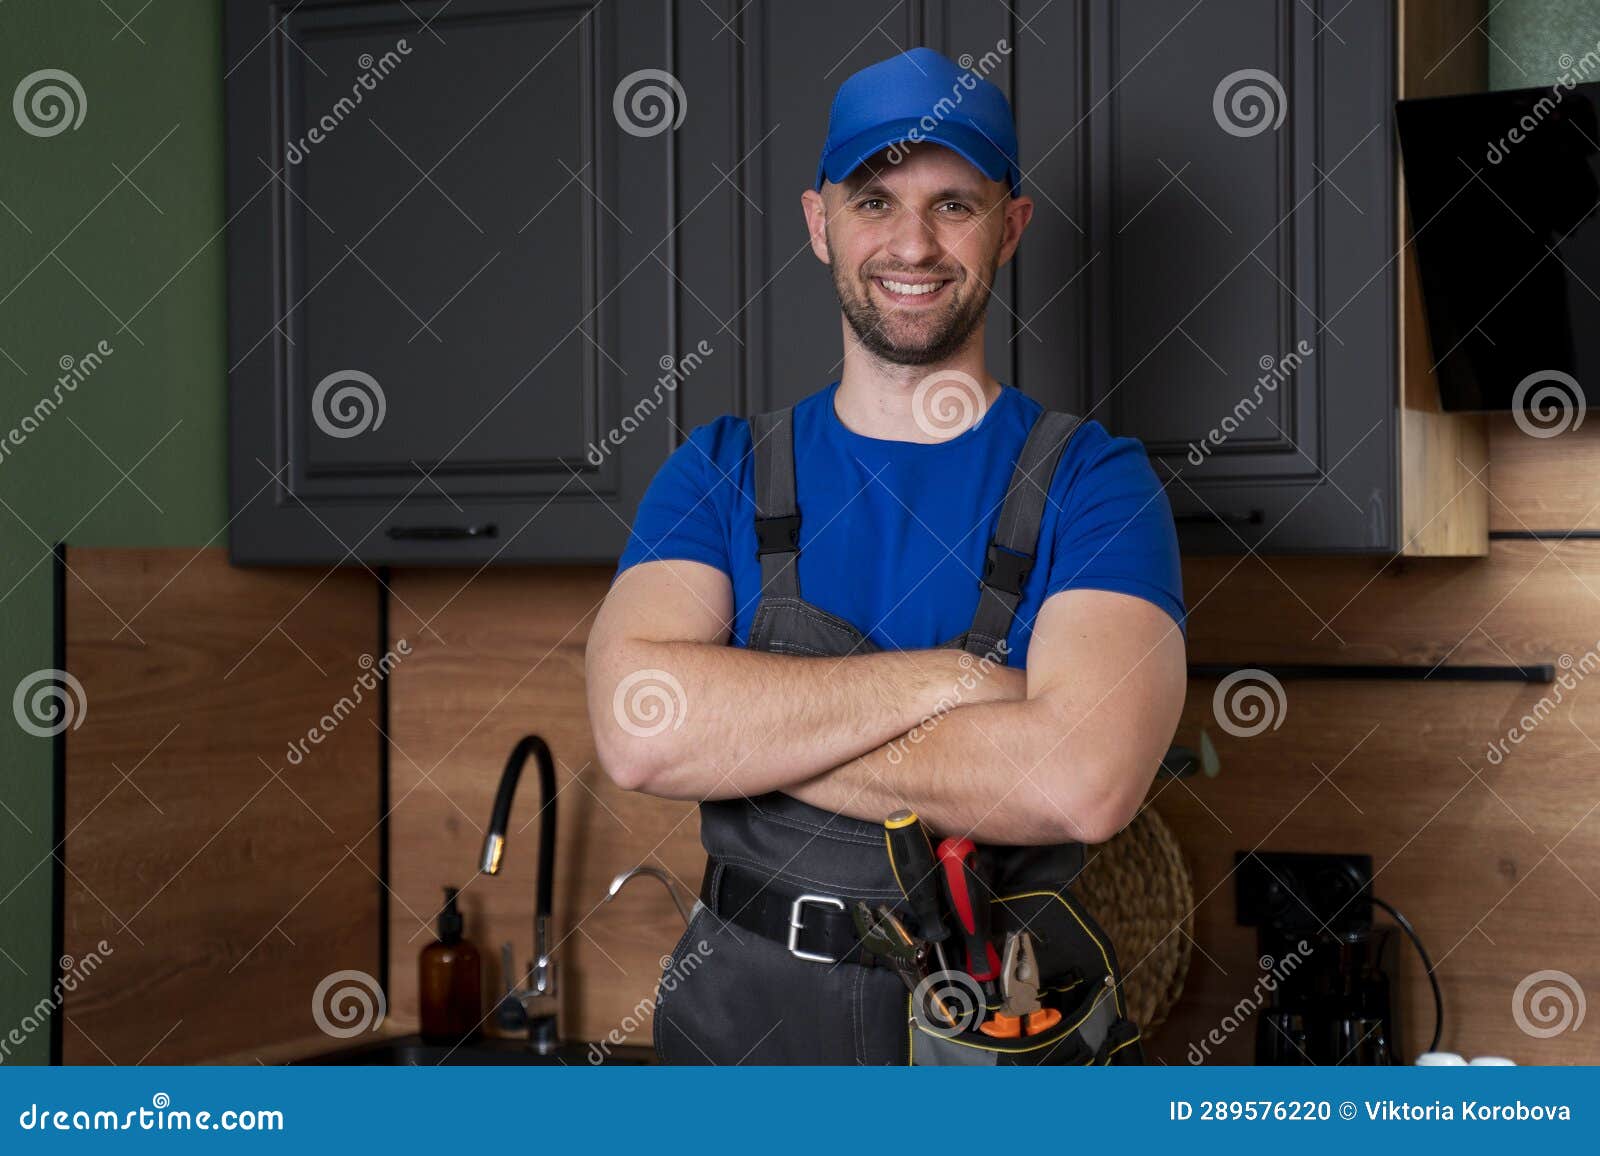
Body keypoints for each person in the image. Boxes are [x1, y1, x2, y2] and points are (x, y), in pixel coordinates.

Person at [586, 47, 1187, 1065]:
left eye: (954, 202)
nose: (912, 242)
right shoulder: (722, 468)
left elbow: (1085, 779)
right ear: (821, 222)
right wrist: (956, 685)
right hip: (737, 1041)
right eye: (875, 201)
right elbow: (642, 731)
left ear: (1011, 224)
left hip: (995, 1043)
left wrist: (756, 737)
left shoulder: (1096, 481)